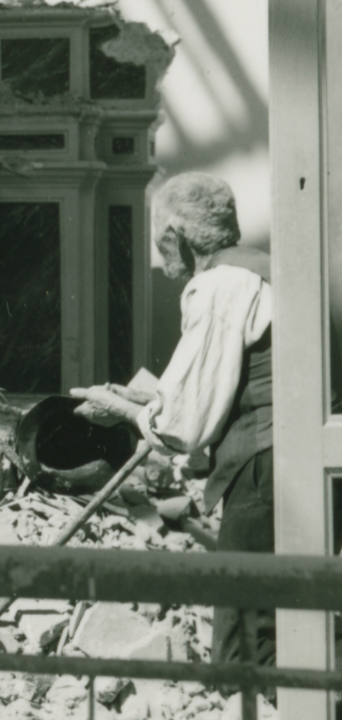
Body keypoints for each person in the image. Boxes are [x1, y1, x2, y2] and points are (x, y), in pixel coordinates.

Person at [71, 172, 274, 667]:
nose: (159, 255)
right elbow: (226, 378)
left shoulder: (219, 286)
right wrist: (145, 396)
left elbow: (186, 425)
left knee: (243, 647)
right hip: (291, 458)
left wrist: (125, 410)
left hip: (264, 468)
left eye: (159, 238)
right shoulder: (261, 269)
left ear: (175, 236)